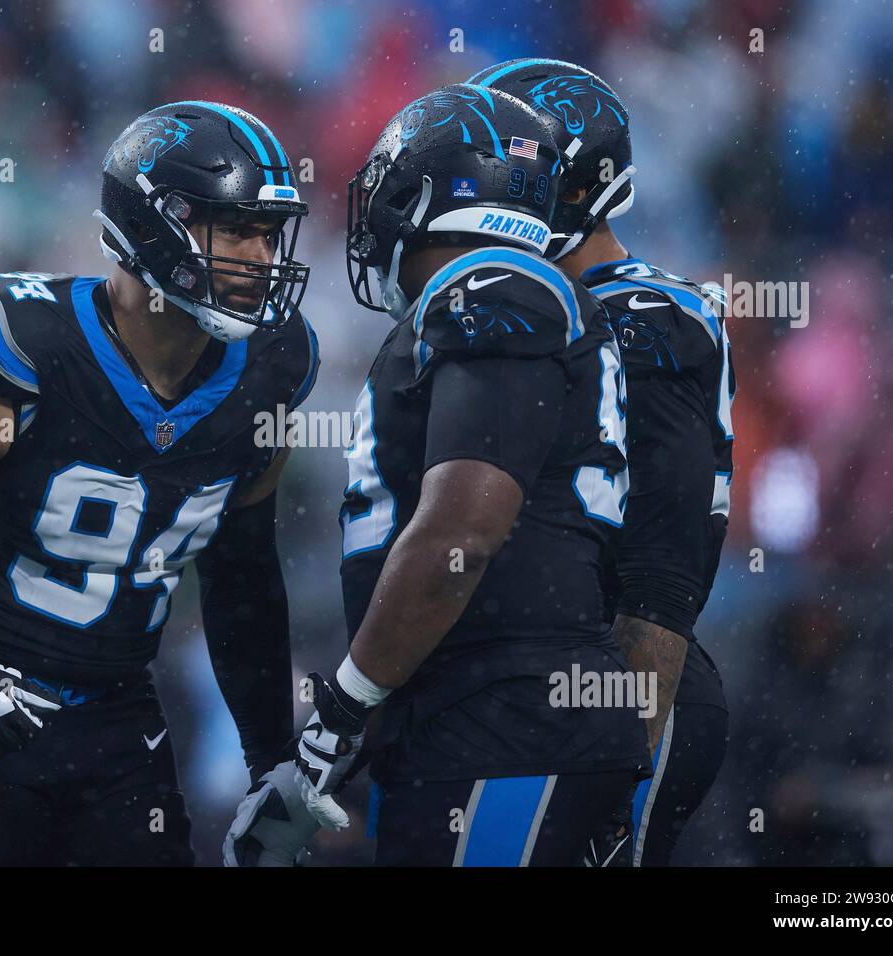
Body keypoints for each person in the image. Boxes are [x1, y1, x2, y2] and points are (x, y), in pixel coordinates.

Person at [0, 101, 318, 865]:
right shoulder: (30, 344)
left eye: (270, 234)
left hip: (116, 721)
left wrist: (270, 761)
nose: (262, 258)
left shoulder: (271, 367)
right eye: (235, 229)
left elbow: (242, 575)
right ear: (152, 224)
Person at [228, 83, 646, 866]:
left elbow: (465, 528)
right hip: (487, 712)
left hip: (506, 717)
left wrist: (344, 711)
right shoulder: (507, 300)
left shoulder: (495, 286)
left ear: (423, 193)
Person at [471, 58, 735, 866]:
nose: (472, 190)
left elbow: (660, 573)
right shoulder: (540, 308)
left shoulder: (646, 316)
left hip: (625, 681)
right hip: (554, 685)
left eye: (496, 167)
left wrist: (626, 748)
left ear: (569, 185)